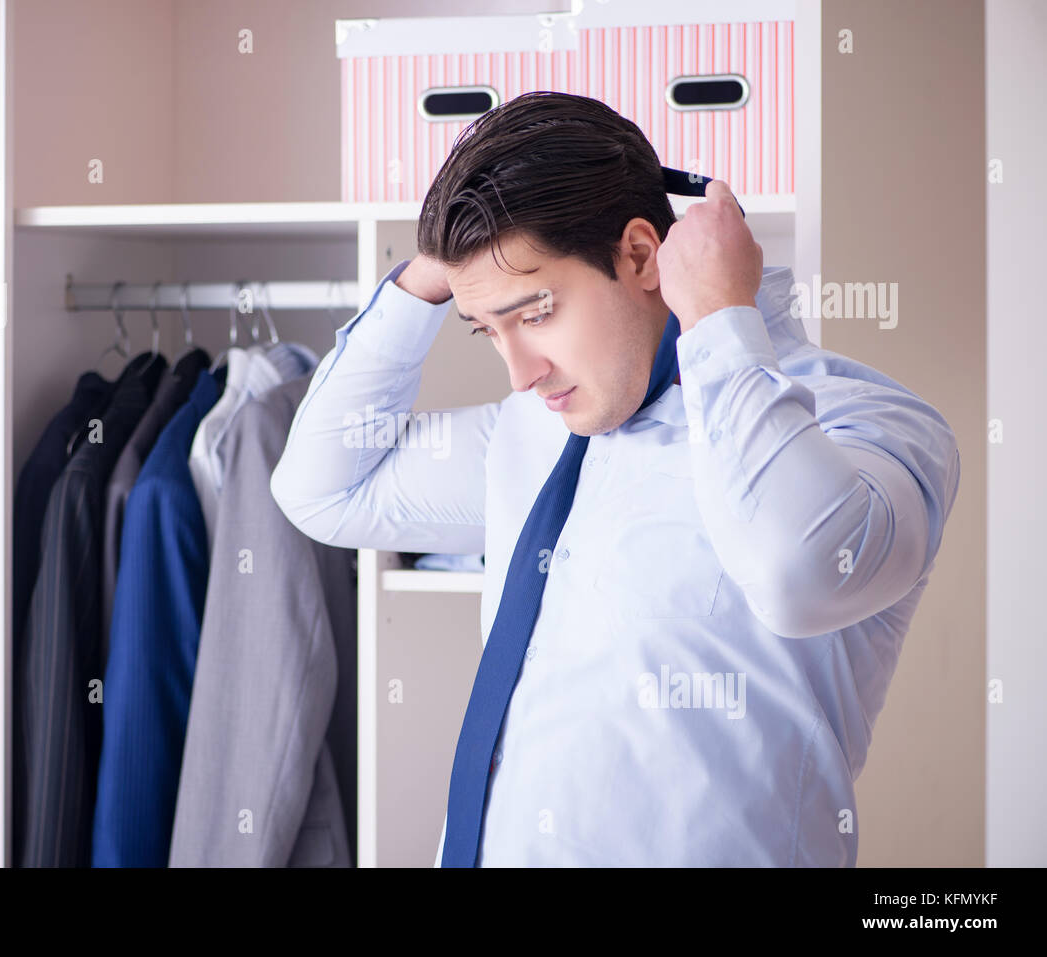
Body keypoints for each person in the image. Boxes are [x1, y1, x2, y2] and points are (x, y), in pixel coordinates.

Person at [269, 91, 960, 866]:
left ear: (640, 255)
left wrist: (718, 318)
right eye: (486, 330)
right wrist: (442, 264)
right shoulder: (534, 433)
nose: (521, 372)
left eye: (535, 313)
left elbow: (795, 571)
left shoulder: (872, 428)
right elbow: (323, 488)